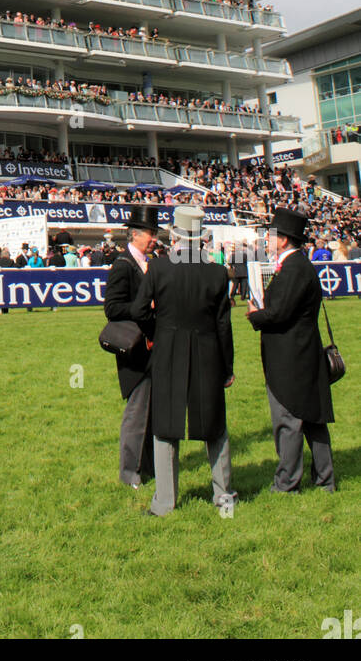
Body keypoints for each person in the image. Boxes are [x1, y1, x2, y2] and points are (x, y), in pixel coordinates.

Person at [130, 206, 237, 516]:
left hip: (168, 352)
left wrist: (159, 331)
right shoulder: (217, 271)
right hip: (208, 354)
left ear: (174, 235)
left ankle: (164, 503)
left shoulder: (159, 268)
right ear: (202, 237)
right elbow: (223, 326)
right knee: (215, 427)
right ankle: (224, 497)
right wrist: (227, 367)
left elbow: (139, 311)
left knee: (166, 427)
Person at [246, 207, 335, 493]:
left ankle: (287, 483)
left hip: (291, 358)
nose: (268, 240)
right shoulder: (297, 265)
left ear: (284, 239)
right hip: (301, 353)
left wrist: (255, 315)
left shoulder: (295, 267)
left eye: (271, 235)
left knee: (289, 420)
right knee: (312, 419)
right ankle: (324, 479)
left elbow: (279, 313)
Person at [103, 204, 159, 489]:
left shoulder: (151, 263)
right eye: (150, 234)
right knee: (137, 414)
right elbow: (112, 308)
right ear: (135, 235)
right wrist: (145, 306)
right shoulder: (123, 266)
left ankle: (148, 468)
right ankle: (130, 473)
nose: (154, 239)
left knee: (153, 413)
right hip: (135, 350)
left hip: (154, 348)